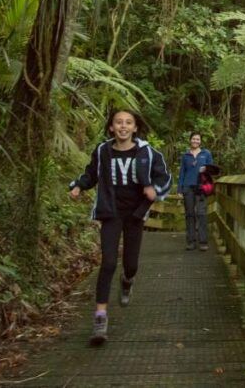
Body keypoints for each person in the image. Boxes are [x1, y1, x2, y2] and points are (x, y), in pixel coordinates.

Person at [69, 109, 171, 346]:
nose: (123, 126)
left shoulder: (147, 152)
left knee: (130, 265)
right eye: (118, 122)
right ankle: (100, 317)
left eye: (128, 123)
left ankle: (127, 281)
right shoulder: (103, 151)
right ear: (112, 127)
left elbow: (164, 177)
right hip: (111, 212)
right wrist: (78, 186)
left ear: (135, 128)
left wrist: (154, 189)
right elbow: (91, 174)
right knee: (108, 263)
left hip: (136, 214)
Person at [178, 132, 213, 251]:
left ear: (200, 141)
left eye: (198, 139)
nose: (195, 141)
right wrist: (180, 188)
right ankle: (191, 241)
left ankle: (203, 241)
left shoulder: (206, 154)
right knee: (190, 214)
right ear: (190, 140)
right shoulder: (185, 156)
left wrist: (206, 170)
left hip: (201, 187)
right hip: (188, 187)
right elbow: (182, 172)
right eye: (193, 139)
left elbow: (212, 170)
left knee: (202, 213)